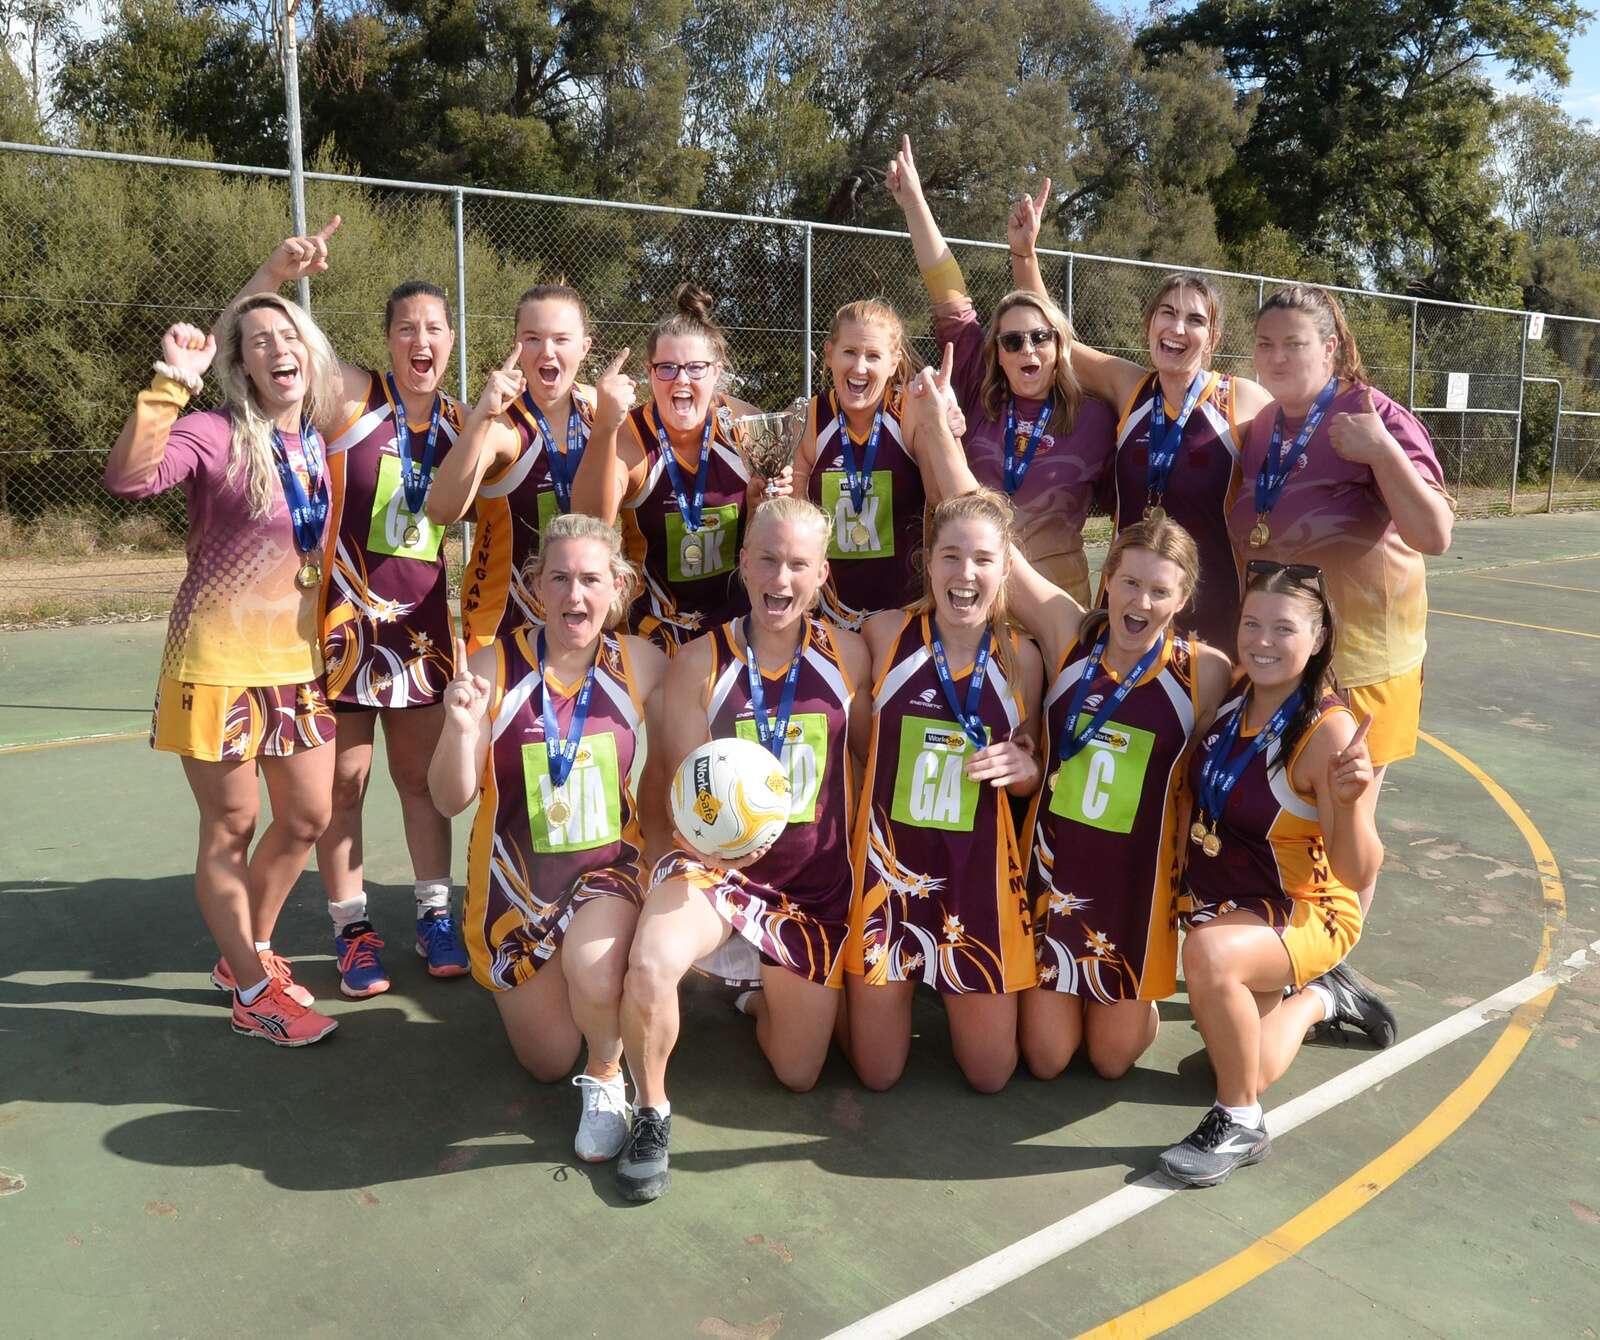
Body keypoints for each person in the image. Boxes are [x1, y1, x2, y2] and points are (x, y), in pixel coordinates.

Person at [235, 222, 470, 995]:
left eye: (434, 327)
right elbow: (250, 345)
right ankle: (352, 927)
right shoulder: (351, 399)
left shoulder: (469, 424)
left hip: (423, 632)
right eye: (407, 328)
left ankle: (435, 916)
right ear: (388, 341)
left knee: (419, 779)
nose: (420, 340)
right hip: (340, 630)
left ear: (453, 339)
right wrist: (275, 269)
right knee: (344, 783)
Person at [615, 497, 871, 1202]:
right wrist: (699, 859)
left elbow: (869, 770)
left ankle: (758, 996)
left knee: (798, 1074)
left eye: (797, 564)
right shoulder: (698, 662)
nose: (779, 578)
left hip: (812, 886)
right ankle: (651, 1110)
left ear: (821, 574)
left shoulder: (850, 660)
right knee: (650, 962)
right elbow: (683, 791)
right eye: (766, 558)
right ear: (742, 563)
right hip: (718, 872)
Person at [104, 300, 340, 1045]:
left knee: (307, 816)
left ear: (311, 352)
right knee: (231, 826)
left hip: (296, 667)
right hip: (214, 665)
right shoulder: (214, 433)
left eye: (289, 336)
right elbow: (130, 479)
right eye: (260, 341)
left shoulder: (317, 443)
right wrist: (172, 380)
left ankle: (250, 949)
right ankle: (249, 990)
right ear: (242, 366)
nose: (278, 348)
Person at [1236, 284, 1452, 1019]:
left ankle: (1333, 975)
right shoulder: (1265, 425)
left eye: (1294, 343)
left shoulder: (1373, 415)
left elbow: (1434, 533)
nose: (1277, 356)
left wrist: (1384, 450)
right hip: (1287, 658)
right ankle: (1296, 957)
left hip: (1364, 663)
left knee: (1342, 824)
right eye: (1265, 343)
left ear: (1330, 348)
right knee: (1287, 816)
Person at [429, 513, 667, 1162]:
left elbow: (695, 742)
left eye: (592, 579)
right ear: (534, 585)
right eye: (558, 578)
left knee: (594, 977)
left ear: (618, 587)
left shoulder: (640, 664)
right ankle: (585, 1006)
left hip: (604, 875)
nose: (575, 595)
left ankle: (608, 1077)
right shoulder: (492, 667)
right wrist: (456, 728)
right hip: (515, 895)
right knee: (545, 1061)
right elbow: (448, 798)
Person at [1158, 562, 1383, 1187]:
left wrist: (1353, 800)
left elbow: (1356, 869)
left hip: (1307, 907)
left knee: (1210, 961)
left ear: (1316, 640)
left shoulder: (1326, 731)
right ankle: (1323, 998)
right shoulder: (1237, 694)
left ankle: (1239, 1122)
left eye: (1282, 628)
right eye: (1251, 623)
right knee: (1238, 1061)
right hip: (1239, 906)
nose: (1261, 640)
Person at [1009, 519, 1233, 1080]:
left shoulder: (1205, 671)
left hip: (1137, 886)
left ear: (1182, 598)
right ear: (1106, 579)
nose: (1142, 601)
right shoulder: (1069, 637)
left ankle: (1140, 1008)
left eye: (1160, 590)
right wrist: (937, 429)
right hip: (1055, 876)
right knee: (1047, 1059)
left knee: (1111, 1061)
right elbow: (1003, 557)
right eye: (1130, 583)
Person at [845, 486, 1045, 1094]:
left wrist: (1023, 768)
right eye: (951, 556)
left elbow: (1031, 767)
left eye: (983, 559)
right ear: (927, 562)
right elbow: (853, 742)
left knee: (992, 1075)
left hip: (975, 883)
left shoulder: (1024, 659)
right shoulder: (881, 636)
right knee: (876, 1075)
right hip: (888, 878)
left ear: (1005, 567)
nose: (966, 573)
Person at [887, 135, 1116, 606]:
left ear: (1060, 346)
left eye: (1040, 337)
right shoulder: (977, 393)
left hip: (1057, 602)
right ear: (998, 351)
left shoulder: (1097, 417)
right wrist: (914, 204)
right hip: (973, 596)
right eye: (1012, 340)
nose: (1026, 348)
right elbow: (946, 290)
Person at [1016, 244, 1273, 647]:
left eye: (1195, 320)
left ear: (1213, 338)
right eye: (1167, 313)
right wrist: (1025, 256)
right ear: (1149, 324)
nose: (1178, 329)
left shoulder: (1242, 400)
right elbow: (1056, 336)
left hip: (1214, 615)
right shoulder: (1129, 387)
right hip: (1125, 607)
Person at [573, 281, 784, 655]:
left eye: (696, 368)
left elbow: (777, 533)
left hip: (735, 628)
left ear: (717, 371)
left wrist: (764, 501)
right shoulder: (628, 437)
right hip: (652, 632)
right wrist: (604, 426)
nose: (682, 379)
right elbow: (589, 527)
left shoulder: (745, 426)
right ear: (649, 372)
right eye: (667, 368)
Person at [427, 283, 618, 649]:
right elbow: (440, 509)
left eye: (561, 339)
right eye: (532, 338)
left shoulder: (600, 409)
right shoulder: (501, 423)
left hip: (583, 617)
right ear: (516, 343)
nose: (547, 351)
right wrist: (482, 414)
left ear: (585, 347)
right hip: (503, 623)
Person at [791, 300, 971, 629]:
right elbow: (792, 519)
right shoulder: (809, 420)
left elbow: (943, 499)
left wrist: (940, 426)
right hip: (831, 616)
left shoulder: (908, 410)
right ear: (829, 354)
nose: (859, 367)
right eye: (849, 352)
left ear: (893, 363)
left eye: (873, 356)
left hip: (905, 616)